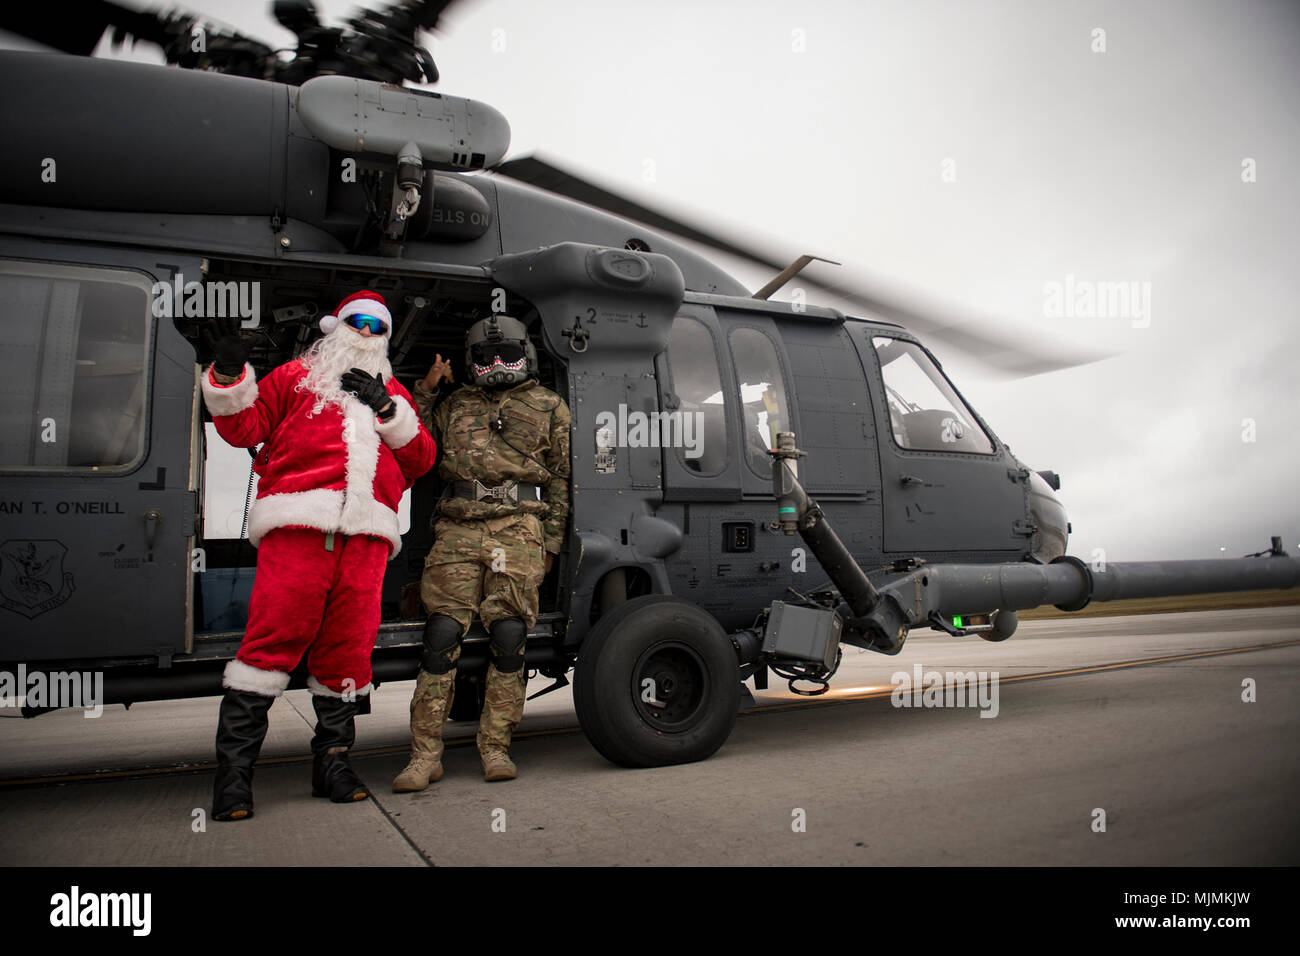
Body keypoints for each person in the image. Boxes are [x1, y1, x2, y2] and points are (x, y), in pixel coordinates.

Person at [200, 290, 436, 821]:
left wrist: (386, 408)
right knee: (271, 641)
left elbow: (421, 460)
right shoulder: (292, 377)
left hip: (368, 538)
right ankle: (234, 777)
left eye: (380, 326)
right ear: (336, 325)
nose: (368, 332)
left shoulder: (394, 391)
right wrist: (230, 372)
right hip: (298, 527)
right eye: (359, 321)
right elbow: (243, 429)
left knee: (350, 650)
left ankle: (332, 764)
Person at [393, 314, 570, 789]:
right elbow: (411, 441)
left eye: (506, 356)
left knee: (510, 637)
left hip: (518, 529)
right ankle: (424, 756)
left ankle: (495, 748)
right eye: (485, 357)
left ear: (526, 356)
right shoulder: (454, 405)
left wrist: (550, 543)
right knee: (441, 635)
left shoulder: (551, 407)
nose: (496, 364)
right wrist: (428, 388)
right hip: (458, 529)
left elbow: (561, 482)